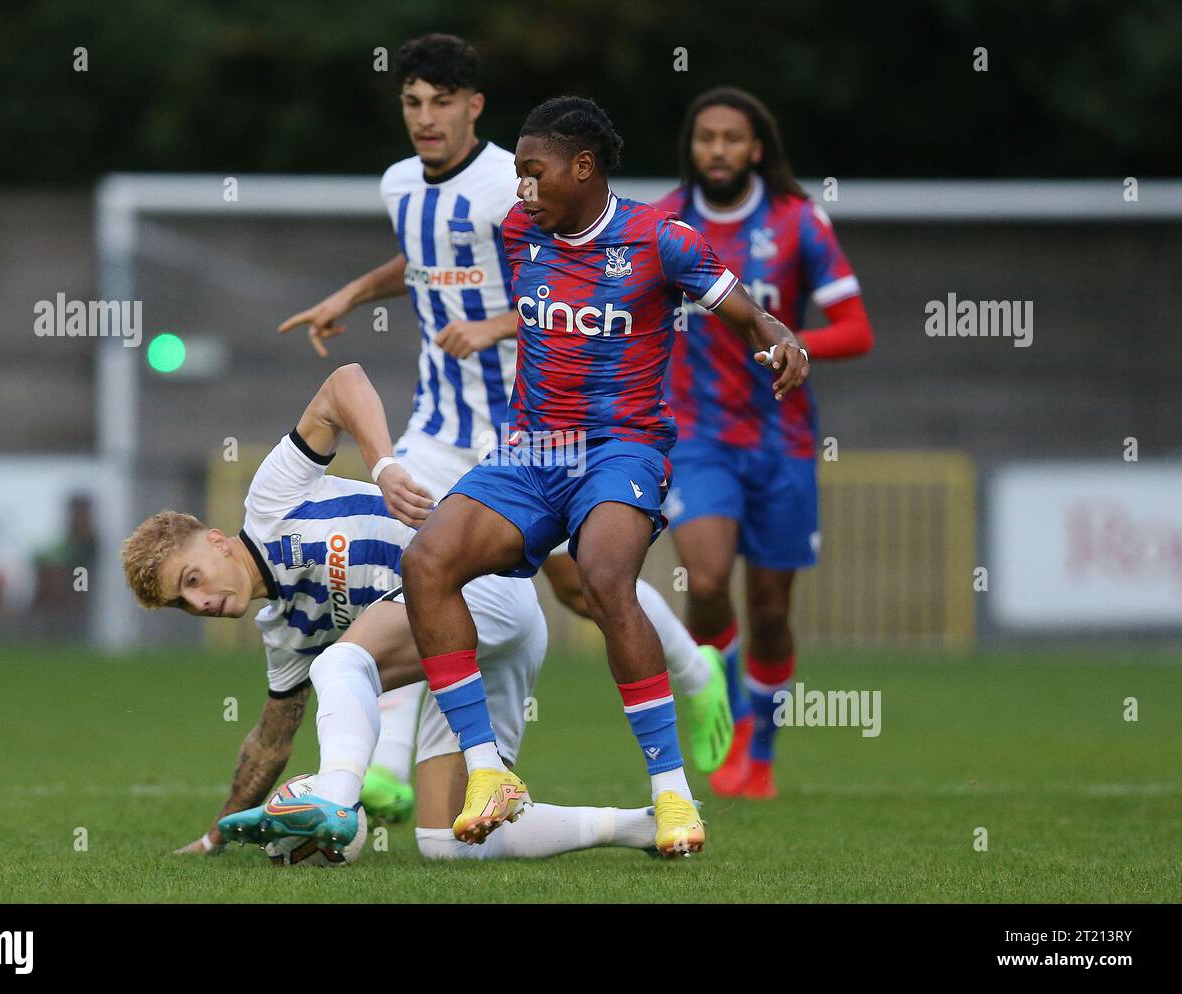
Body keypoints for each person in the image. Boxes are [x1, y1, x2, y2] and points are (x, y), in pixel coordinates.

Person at [277, 34, 732, 817]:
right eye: (412, 102)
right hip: (438, 422)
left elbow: (584, 284)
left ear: (473, 107)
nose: (425, 118)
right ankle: (386, 768)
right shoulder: (398, 184)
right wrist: (350, 294)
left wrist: (496, 325)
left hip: (531, 421)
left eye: (441, 102)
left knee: (585, 578)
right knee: (413, 568)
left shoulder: (511, 187)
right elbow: (421, 261)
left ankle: (695, 674)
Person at [398, 96, 810, 857]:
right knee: (426, 562)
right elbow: (440, 274)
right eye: (518, 172)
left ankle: (672, 796)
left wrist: (780, 335)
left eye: (533, 171)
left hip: (621, 448)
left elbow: (742, 310)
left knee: (604, 576)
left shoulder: (658, 240)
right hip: (529, 452)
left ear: (583, 167)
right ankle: (488, 772)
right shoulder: (522, 232)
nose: (521, 188)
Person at [122, 364, 661, 861]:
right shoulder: (285, 633)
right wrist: (215, 836)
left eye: (191, 581)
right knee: (449, 842)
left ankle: (335, 796)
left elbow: (343, 383)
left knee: (336, 664)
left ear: (216, 541)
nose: (199, 603)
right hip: (491, 642)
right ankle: (638, 825)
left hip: (481, 588)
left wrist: (382, 466)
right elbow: (270, 740)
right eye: (181, 604)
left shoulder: (269, 501)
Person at [657, 87, 874, 800]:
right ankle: (725, 712)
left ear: (756, 148)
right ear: (692, 147)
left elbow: (856, 328)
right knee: (709, 580)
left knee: (773, 609)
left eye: (731, 138)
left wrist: (785, 338)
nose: (717, 150)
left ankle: (763, 748)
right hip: (695, 436)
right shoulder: (663, 221)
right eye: (705, 137)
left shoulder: (796, 222)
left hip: (783, 439)